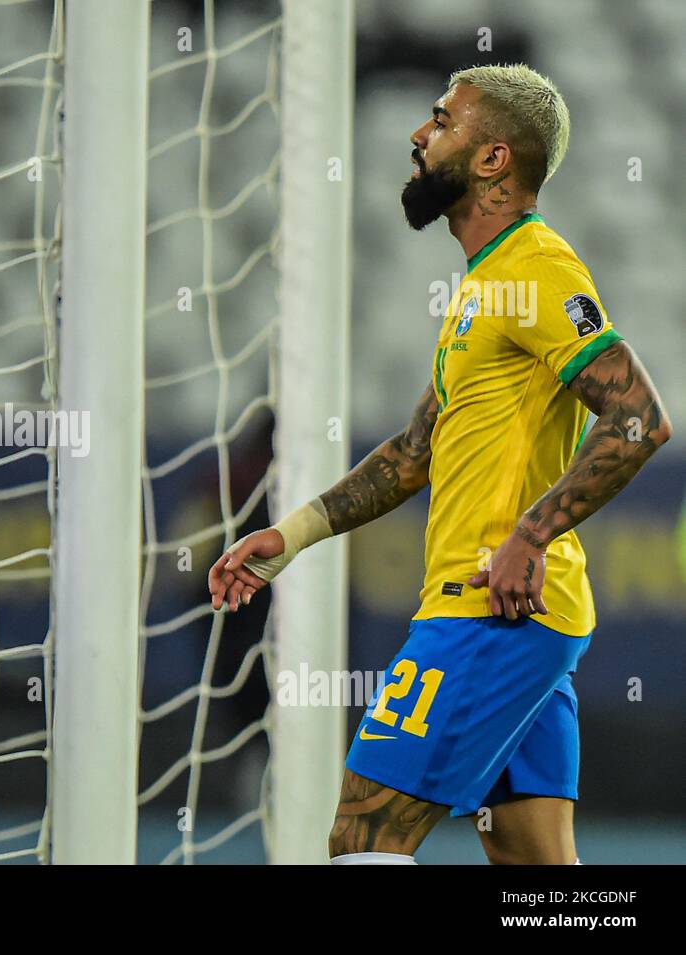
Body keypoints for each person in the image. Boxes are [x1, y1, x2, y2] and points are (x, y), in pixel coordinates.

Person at [209, 64, 672, 864]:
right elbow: (412, 452)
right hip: (522, 621)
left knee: (366, 834)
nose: (418, 137)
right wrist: (290, 535)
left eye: (441, 121)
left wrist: (529, 533)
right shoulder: (483, 284)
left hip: (485, 614)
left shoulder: (536, 268)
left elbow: (638, 417)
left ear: (492, 159)